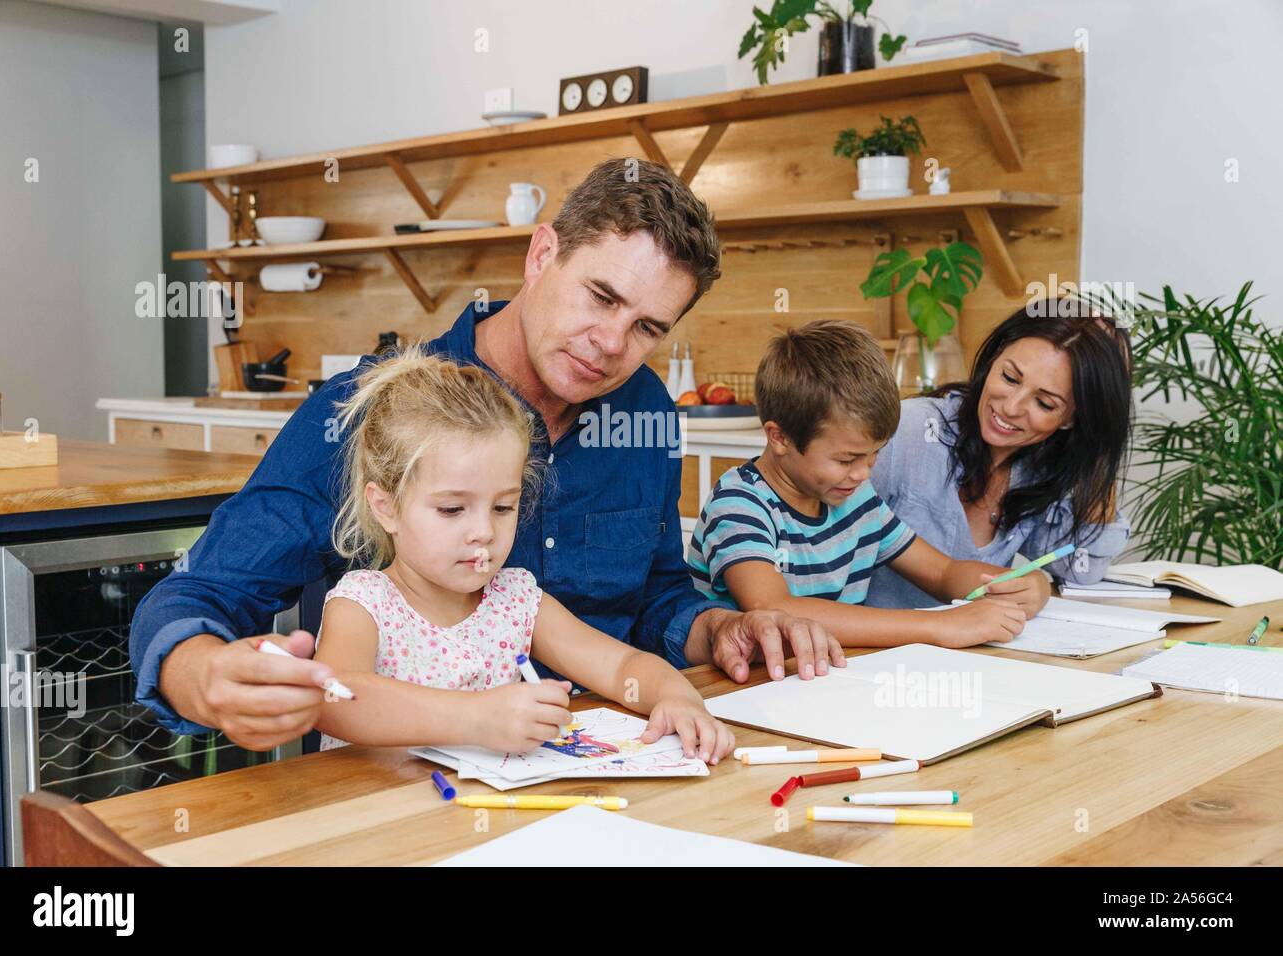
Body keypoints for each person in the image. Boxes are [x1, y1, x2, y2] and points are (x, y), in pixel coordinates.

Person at [129, 158, 841, 752]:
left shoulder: (647, 410)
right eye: (600, 296)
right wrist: (202, 676)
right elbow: (202, 591)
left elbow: (656, 597)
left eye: (646, 327)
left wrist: (722, 628)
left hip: (615, 765)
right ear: (541, 255)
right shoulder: (378, 410)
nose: (611, 343)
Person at [312, 350, 734, 762]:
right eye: (451, 509)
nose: (483, 532)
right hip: (378, 821)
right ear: (385, 507)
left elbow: (622, 666)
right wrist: (475, 719)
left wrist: (677, 697)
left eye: (502, 508)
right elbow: (335, 696)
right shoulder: (365, 603)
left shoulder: (514, 599)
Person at [687, 319, 1043, 648]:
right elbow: (773, 608)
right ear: (779, 438)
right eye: (847, 459)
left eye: (874, 456)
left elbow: (943, 571)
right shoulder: (739, 504)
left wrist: (1023, 583)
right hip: (745, 693)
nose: (863, 473)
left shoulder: (857, 500)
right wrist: (939, 626)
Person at [866, 304, 1132, 609]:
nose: (1011, 407)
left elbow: (1083, 569)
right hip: (868, 652)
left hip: (967, 652)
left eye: (1044, 403)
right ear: (994, 358)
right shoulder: (908, 431)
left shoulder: (1036, 469)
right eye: (1009, 377)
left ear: (1072, 419)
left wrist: (1101, 437)